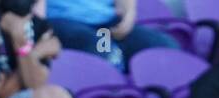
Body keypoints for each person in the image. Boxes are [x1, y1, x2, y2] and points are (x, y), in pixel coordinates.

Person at [44, 0, 178, 71]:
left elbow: (126, 5)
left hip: (107, 22)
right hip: (65, 20)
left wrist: (128, 16)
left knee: (166, 48)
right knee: (105, 51)